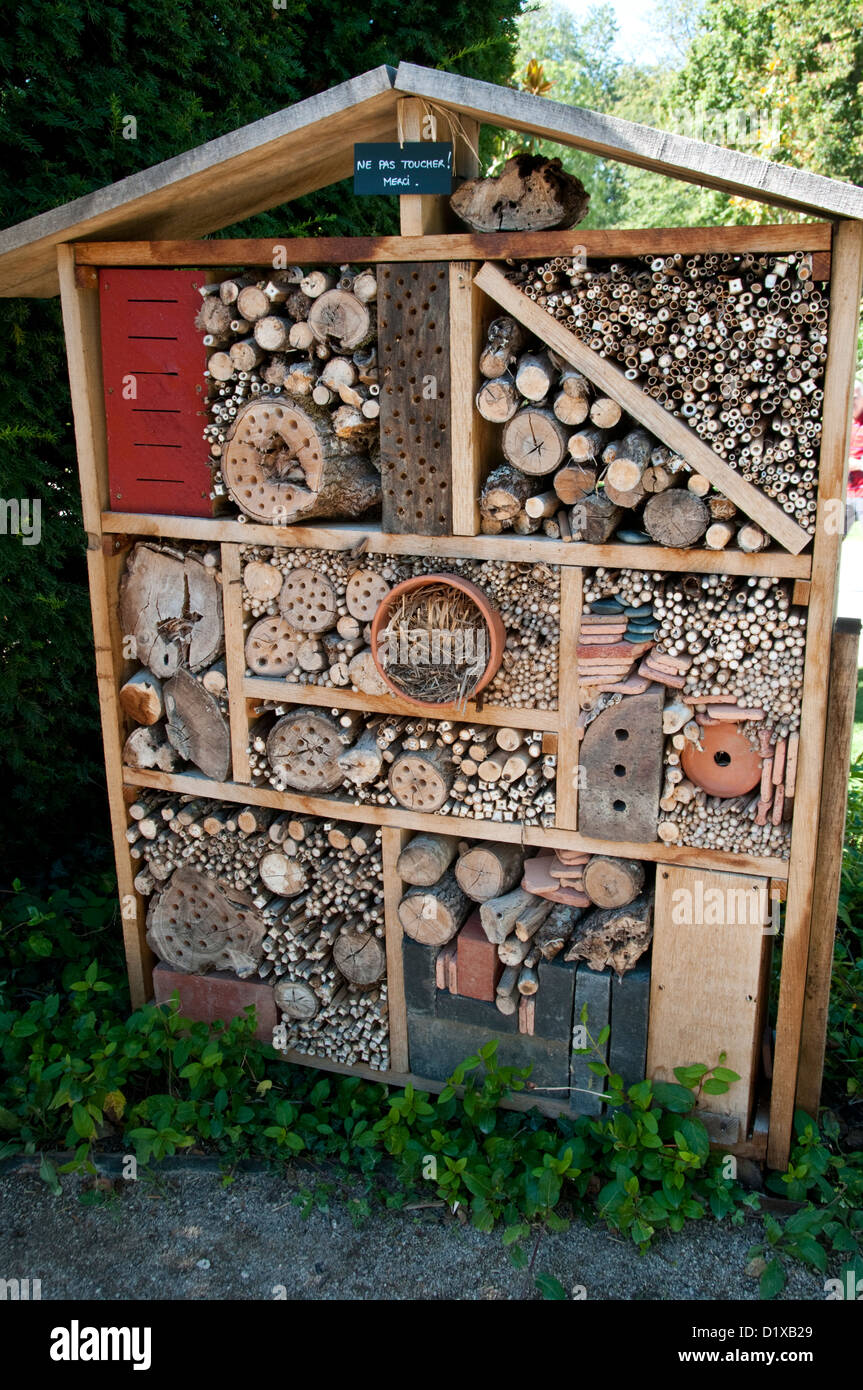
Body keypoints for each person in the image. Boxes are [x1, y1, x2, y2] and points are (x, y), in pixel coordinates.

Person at [847, 379, 863, 531]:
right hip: (844, 494)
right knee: (833, 535)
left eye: (856, 398)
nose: (852, 402)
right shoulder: (843, 423)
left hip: (862, 493)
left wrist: (857, 464)